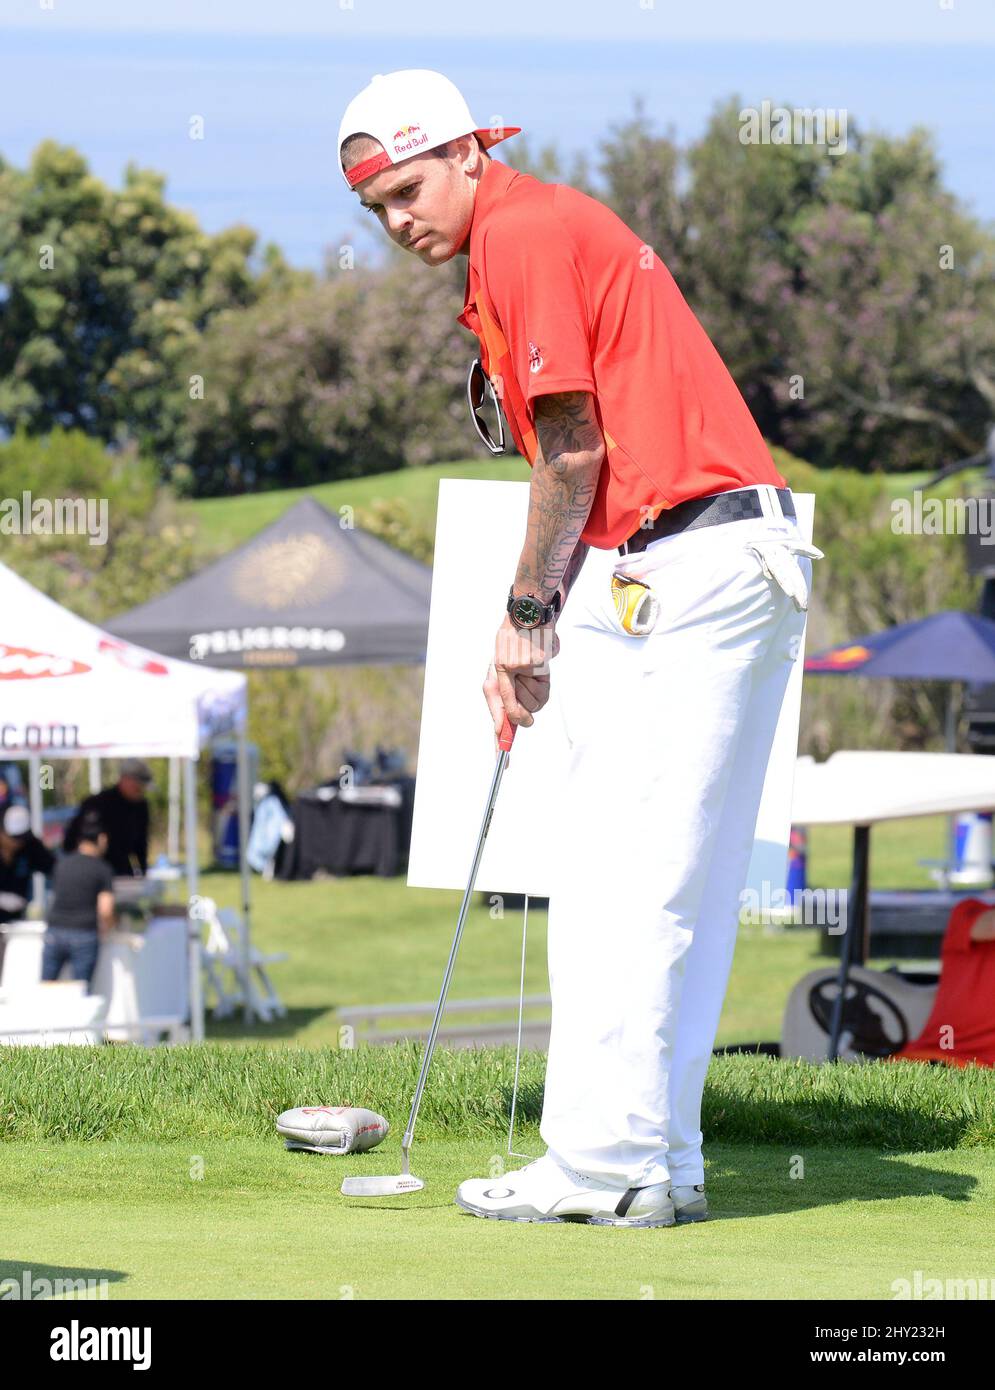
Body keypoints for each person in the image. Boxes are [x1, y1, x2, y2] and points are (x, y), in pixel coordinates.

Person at [337, 70, 824, 1227]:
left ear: (464, 154)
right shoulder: (527, 233)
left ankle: (600, 1166)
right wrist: (549, 619)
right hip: (715, 561)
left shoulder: (516, 230)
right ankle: (658, 1160)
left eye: (407, 188)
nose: (397, 219)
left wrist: (523, 616)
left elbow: (569, 450)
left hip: (692, 563)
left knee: (624, 879)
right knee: (675, 891)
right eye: (374, 208)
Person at [41, 811, 116, 990]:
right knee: (81, 990)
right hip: (84, 932)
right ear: (101, 839)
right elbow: (106, 910)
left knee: (45, 987)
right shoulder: (102, 869)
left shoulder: (61, 864)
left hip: (54, 929)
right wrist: (110, 926)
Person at [64, 758, 152, 877]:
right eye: (138, 786)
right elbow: (71, 842)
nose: (140, 792)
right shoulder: (96, 804)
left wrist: (143, 874)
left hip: (122, 873)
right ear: (126, 780)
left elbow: (141, 845)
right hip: (93, 873)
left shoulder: (141, 807)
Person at [0, 803, 55, 925]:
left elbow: (56, 869)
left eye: (23, 839)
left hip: (15, 922)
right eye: (15, 838)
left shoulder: (30, 847)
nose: (19, 843)